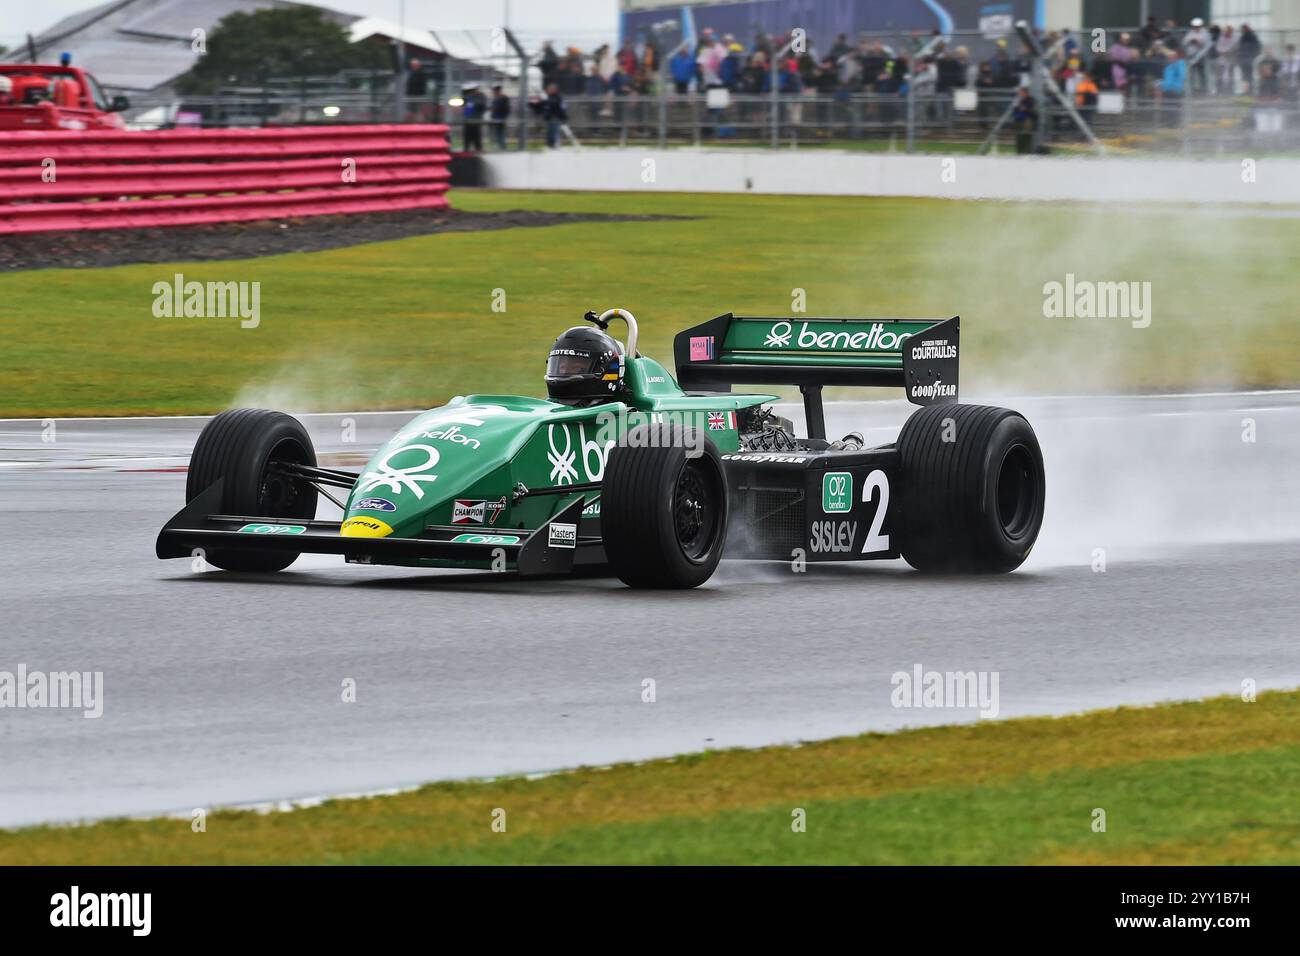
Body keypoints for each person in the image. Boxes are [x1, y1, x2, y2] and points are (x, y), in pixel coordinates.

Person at [545, 325, 627, 407]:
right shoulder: (548, 406)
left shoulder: (624, 417)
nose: (564, 372)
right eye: (562, 367)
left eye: (576, 367)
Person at [531, 83, 568, 148]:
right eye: (548, 89)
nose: (548, 90)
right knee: (549, 134)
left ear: (555, 90)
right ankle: (550, 145)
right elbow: (539, 106)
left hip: (556, 118)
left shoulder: (558, 98)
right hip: (549, 119)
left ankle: (556, 145)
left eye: (550, 89)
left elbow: (561, 107)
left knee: (554, 133)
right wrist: (533, 103)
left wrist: (563, 116)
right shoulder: (547, 97)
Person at [1237, 24, 1262, 94]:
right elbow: (1239, 49)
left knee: (1249, 77)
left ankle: (1250, 91)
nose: (1242, 31)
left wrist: (1252, 56)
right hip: (1243, 60)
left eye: (1243, 29)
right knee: (1244, 77)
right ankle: (1246, 91)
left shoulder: (1252, 37)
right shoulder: (1242, 38)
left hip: (1249, 60)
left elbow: (1257, 48)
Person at [460, 84, 486, 151]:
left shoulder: (481, 96)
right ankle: (466, 149)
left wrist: (472, 104)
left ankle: (478, 149)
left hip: (476, 120)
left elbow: (480, 105)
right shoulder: (468, 97)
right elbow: (463, 102)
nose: (473, 91)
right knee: (467, 136)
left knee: (476, 136)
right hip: (468, 120)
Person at [488, 85, 510, 149]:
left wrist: (495, 109)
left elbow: (506, 109)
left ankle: (503, 147)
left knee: (501, 134)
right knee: (496, 133)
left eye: (494, 91)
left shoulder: (504, 98)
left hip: (501, 118)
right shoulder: (495, 99)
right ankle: (498, 146)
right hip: (494, 118)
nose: (493, 92)